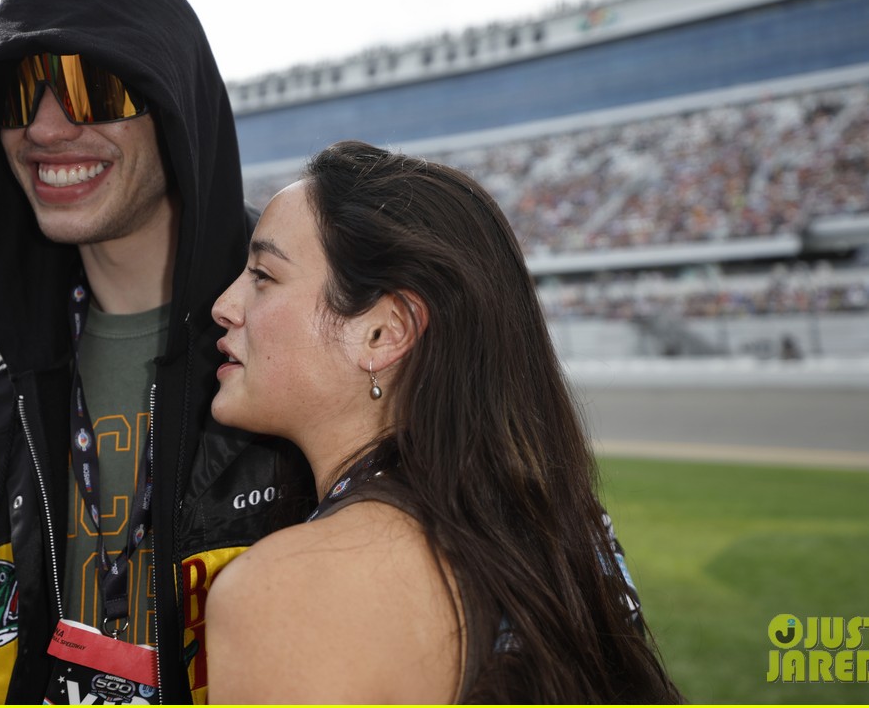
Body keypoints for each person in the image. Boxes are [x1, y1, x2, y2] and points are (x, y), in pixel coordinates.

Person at [0, 0, 312, 705]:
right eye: (19, 93)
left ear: (173, 104)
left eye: (93, 87)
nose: (47, 128)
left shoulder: (320, 348)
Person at [206, 140, 681, 703]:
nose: (225, 304)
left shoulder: (289, 587)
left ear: (384, 332)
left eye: (263, 274)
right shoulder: (559, 522)